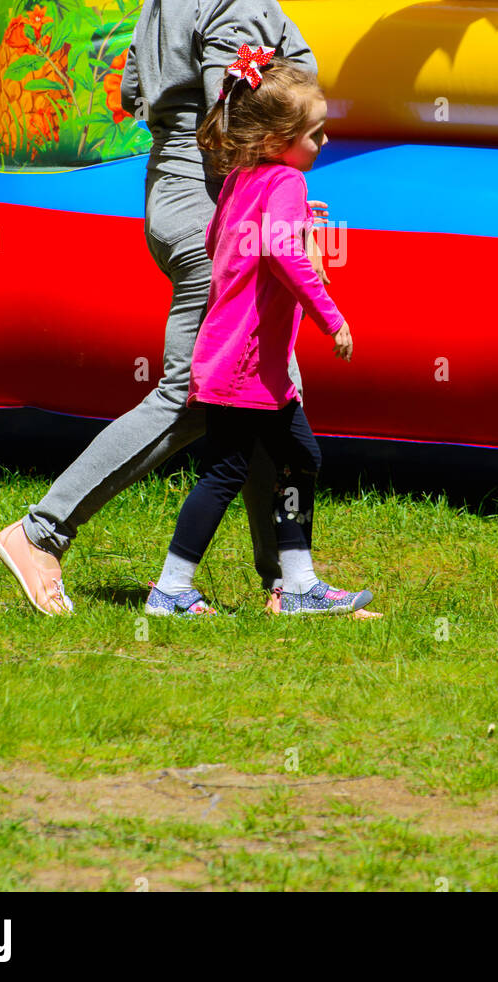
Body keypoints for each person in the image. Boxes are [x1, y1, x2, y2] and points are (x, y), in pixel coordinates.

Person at [0, 0, 330, 615]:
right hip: (215, 203)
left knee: (266, 389)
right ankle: (42, 531)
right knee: (193, 393)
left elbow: (138, 95)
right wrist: (258, 213)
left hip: (168, 190)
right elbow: (230, 122)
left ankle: (289, 580)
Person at [145, 55, 373, 616]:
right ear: (278, 138)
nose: (324, 141)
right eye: (315, 134)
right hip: (249, 366)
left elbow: (222, 238)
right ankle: (172, 589)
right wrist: (332, 318)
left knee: (296, 457)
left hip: (232, 356)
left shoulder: (243, 181)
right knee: (229, 472)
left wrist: (293, 224)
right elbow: (281, 252)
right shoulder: (286, 180)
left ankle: (296, 585)